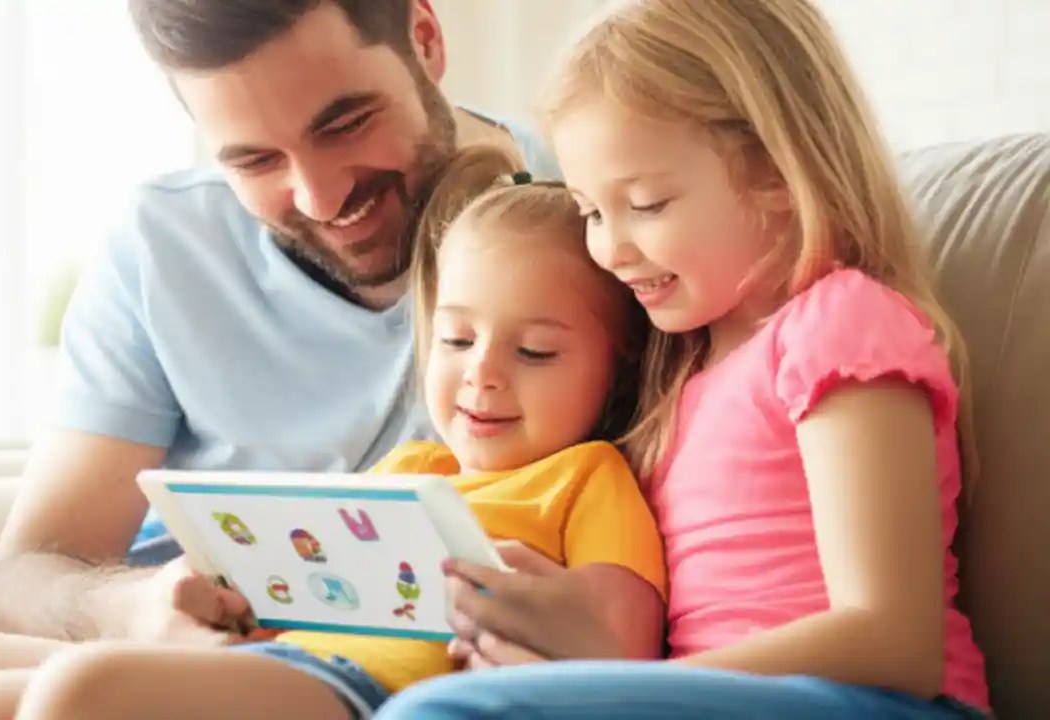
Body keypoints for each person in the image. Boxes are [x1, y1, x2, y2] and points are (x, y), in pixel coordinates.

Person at [0, 147, 666, 720]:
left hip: (349, 691)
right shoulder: (413, 463)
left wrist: (531, 607)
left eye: (537, 351)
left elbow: (626, 639)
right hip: (256, 660)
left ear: (617, 370)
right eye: (457, 338)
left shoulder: (585, 479)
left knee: (79, 692)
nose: (481, 372)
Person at [373, 1, 993, 718]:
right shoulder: (680, 372)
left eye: (646, 203)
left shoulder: (839, 325)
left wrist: (615, 687)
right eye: (592, 213)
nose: (610, 250)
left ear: (774, 172)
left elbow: (894, 642)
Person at [0, 0, 561, 647]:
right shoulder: (162, 252)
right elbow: (17, 583)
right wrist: (131, 610)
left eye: (347, 125)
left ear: (425, 39)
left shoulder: (594, 219)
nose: (320, 198)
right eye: (254, 161)